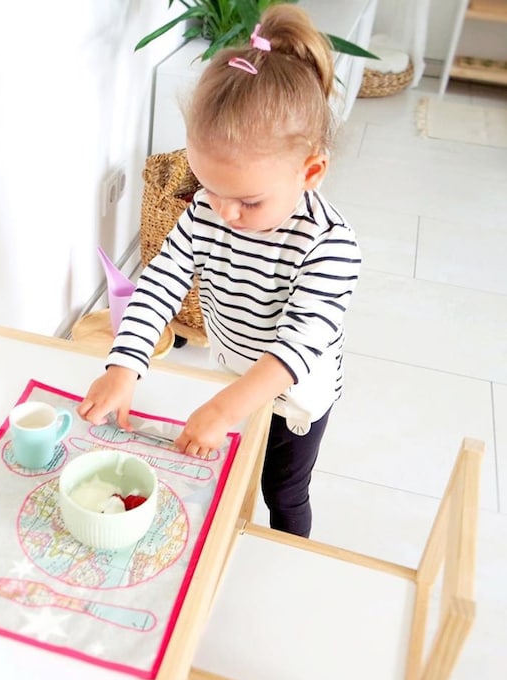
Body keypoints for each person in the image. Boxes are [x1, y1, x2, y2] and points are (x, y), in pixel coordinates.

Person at [77, 4, 361, 539]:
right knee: (231, 472)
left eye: (248, 201)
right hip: (233, 369)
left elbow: (295, 352)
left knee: (283, 489)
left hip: (293, 396)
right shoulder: (208, 210)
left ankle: (284, 551)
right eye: (210, 187)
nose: (224, 212)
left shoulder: (330, 245)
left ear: (311, 172)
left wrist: (224, 408)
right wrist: (124, 365)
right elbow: (159, 281)